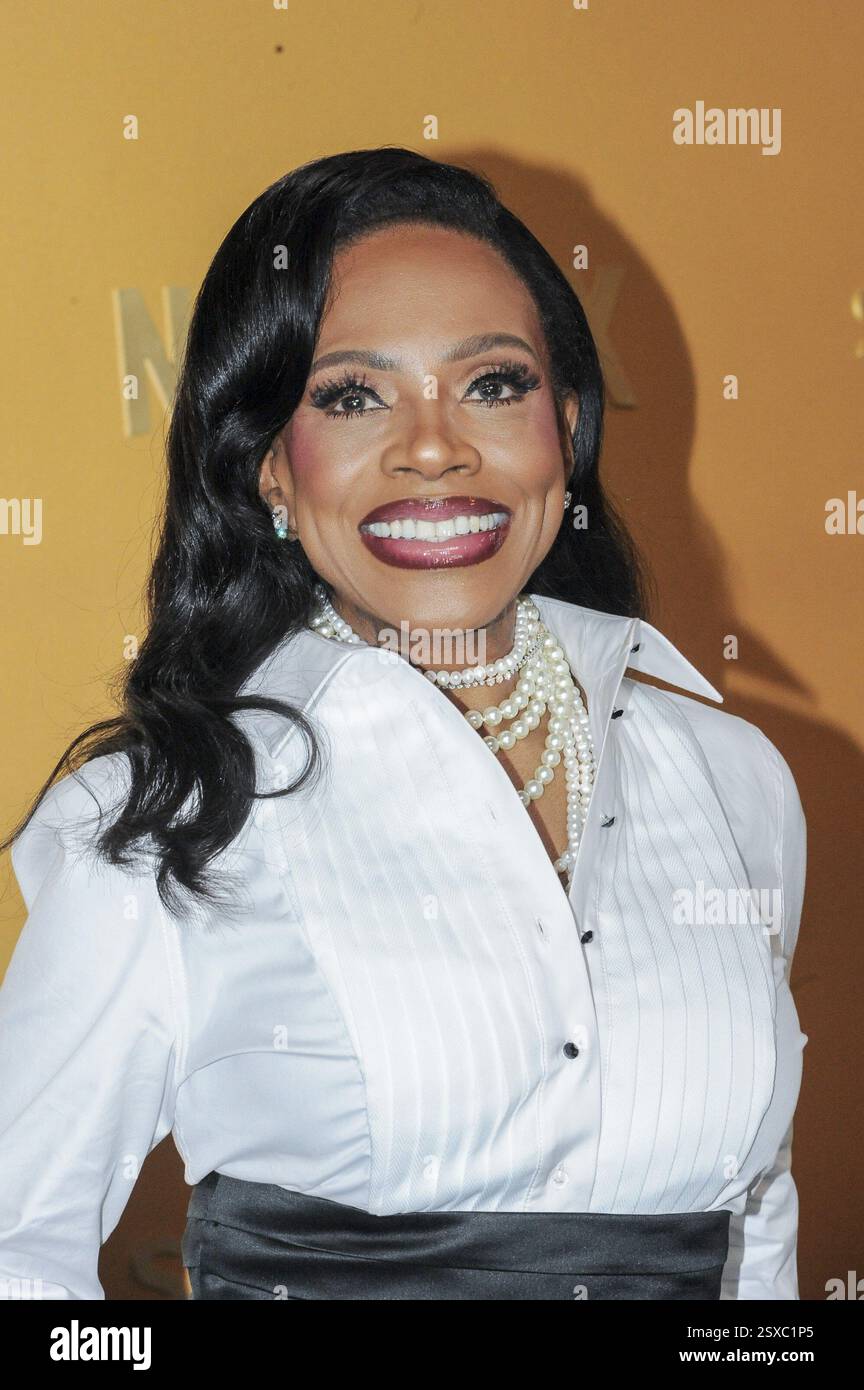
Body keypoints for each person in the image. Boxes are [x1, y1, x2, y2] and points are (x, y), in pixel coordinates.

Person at [0, 147, 807, 1301]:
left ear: (566, 429)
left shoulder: (737, 783)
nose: (434, 446)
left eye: (492, 384)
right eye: (352, 395)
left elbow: (756, 1222)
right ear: (272, 467)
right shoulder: (165, 816)